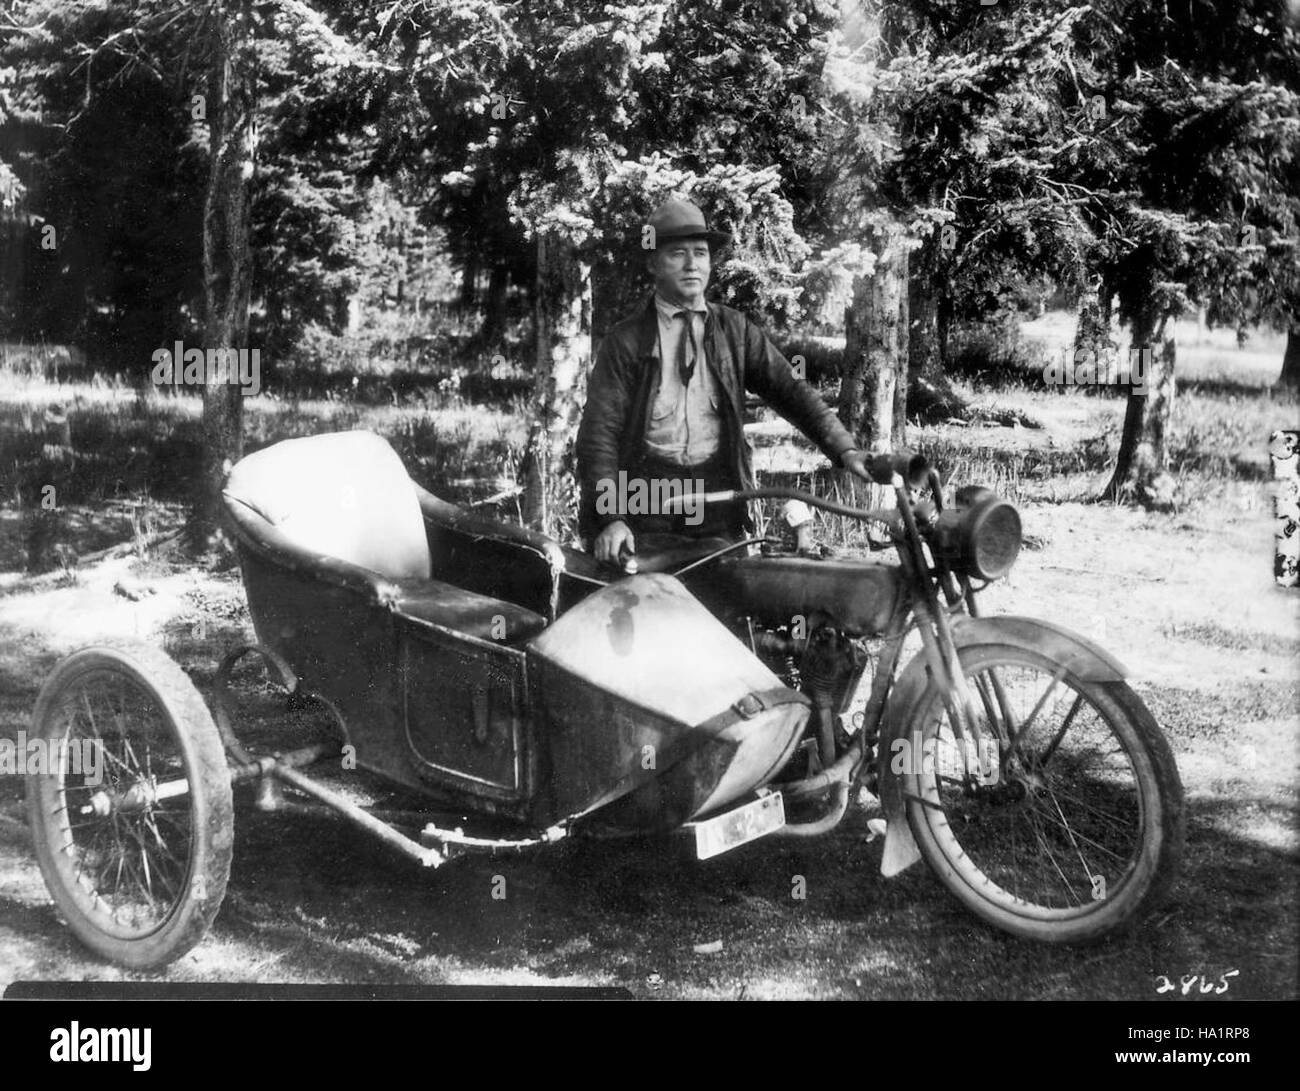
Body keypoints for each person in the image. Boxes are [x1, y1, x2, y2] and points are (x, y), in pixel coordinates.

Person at [576, 197, 874, 564]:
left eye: (700, 253)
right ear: (653, 263)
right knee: (649, 594)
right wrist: (611, 518)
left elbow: (792, 391)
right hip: (646, 498)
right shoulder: (626, 341)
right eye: (677, 254)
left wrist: (845, 450)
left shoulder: (735, 330)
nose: (692, 265)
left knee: (727, 592)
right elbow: (599, 436)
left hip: (717, 498)